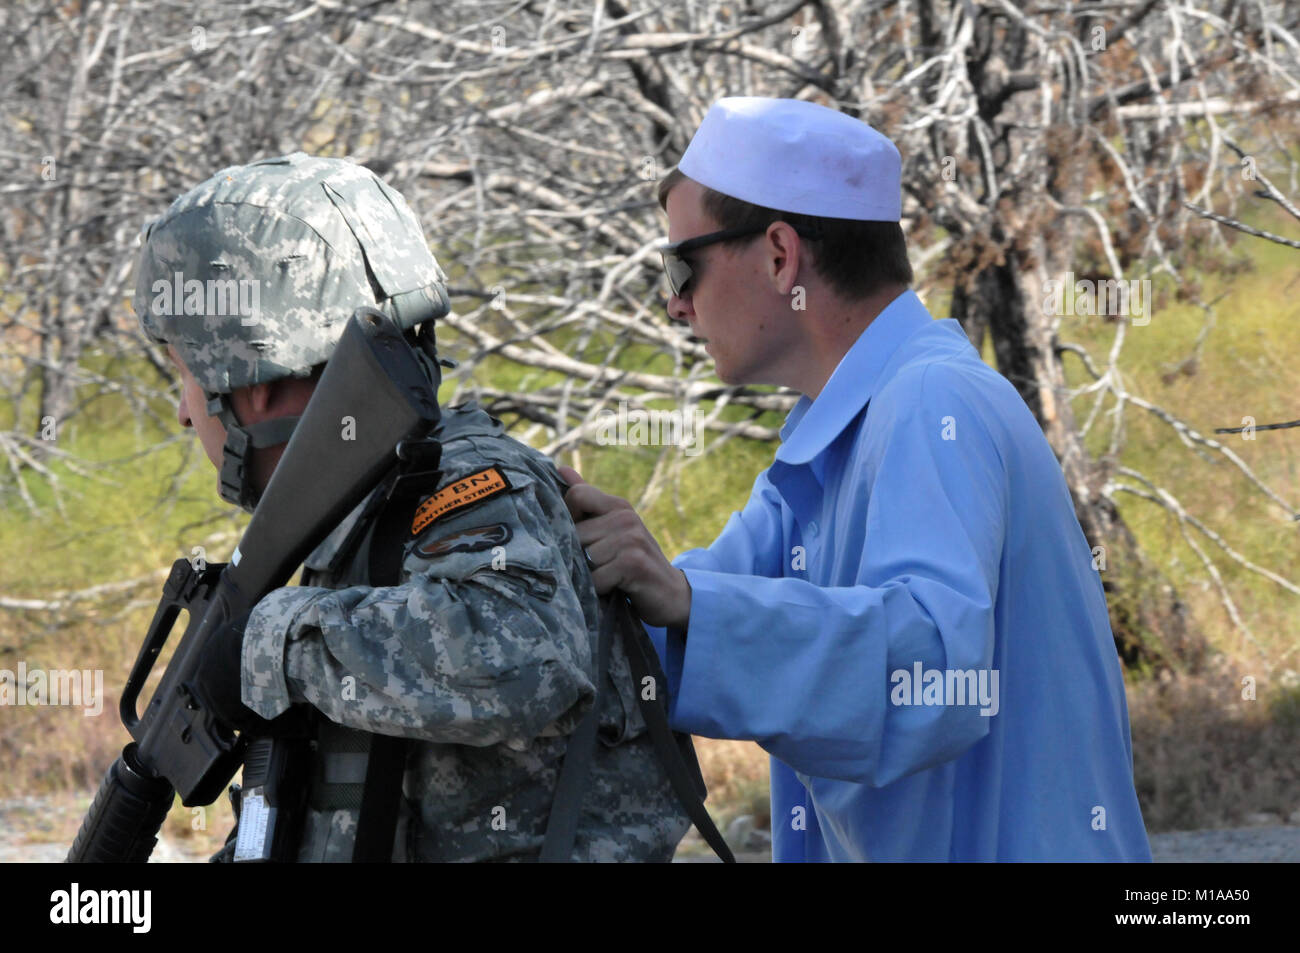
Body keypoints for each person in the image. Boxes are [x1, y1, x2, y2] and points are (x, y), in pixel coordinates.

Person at [559, 96, 1153, 862]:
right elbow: (674, 626)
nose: (675, 303)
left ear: (780, 256)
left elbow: (931, 673)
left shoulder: (934, 400)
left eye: (681, 266)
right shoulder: (828, 441)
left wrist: (689, 602)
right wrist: (546, 555)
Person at [134, 151, 692, 862]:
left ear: (250, 381)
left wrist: (271, 643)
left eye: (185, 375)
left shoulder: (463, 480)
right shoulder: (353, 513)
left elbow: (523, 658)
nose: (185, 413)